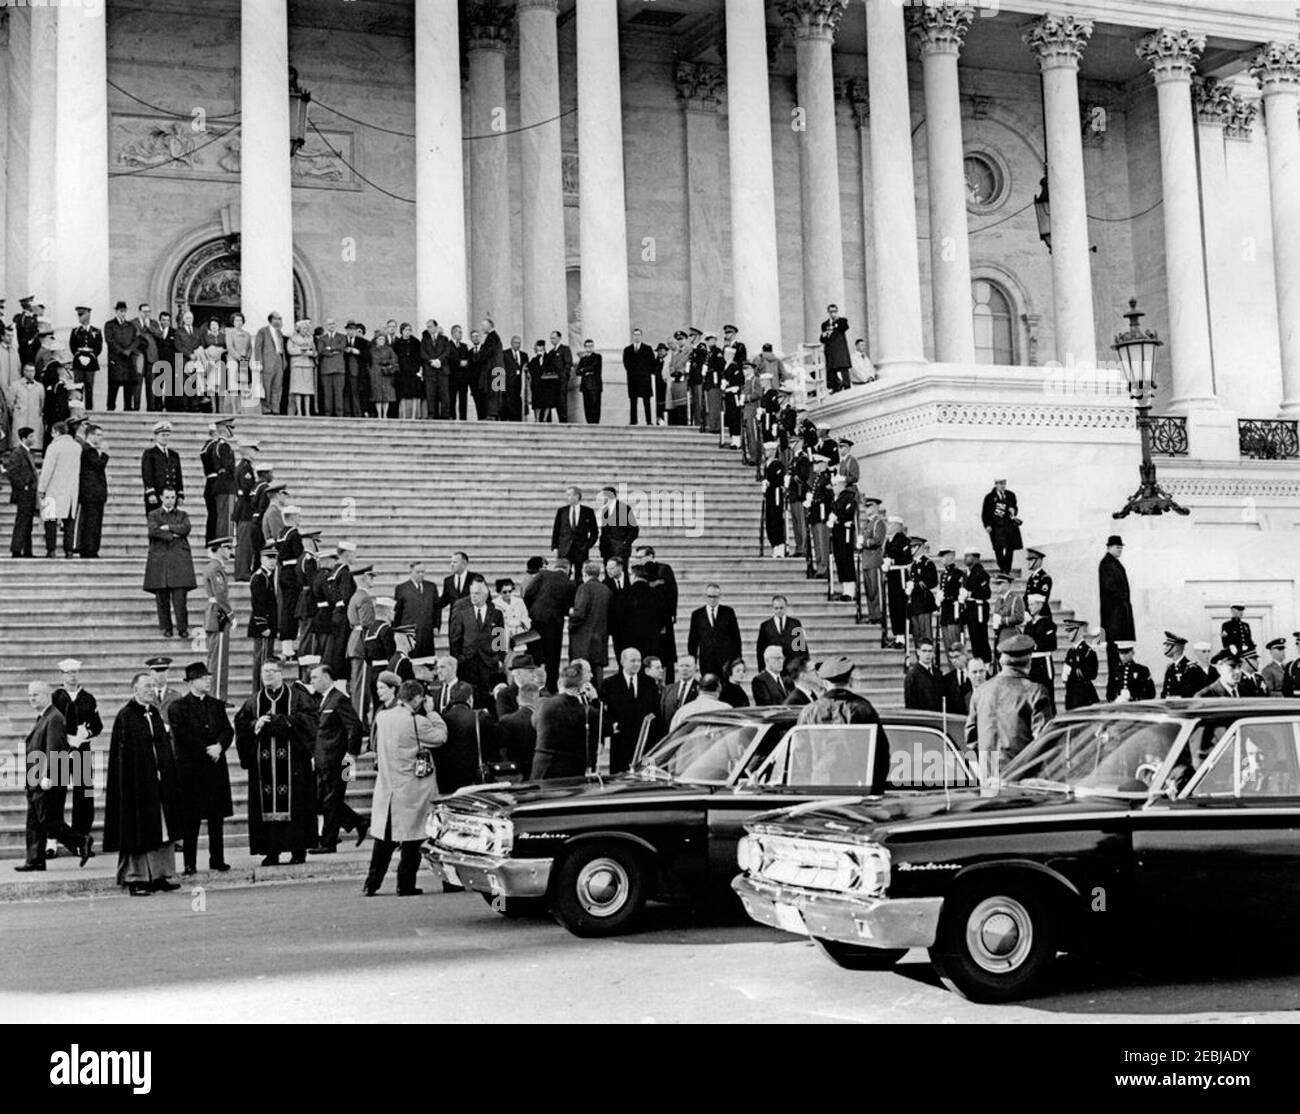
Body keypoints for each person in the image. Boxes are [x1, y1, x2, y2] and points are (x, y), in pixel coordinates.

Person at [365, 680, 447, 896]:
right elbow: (440, 737)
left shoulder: (382, 717)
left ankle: (371, 883)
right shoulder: (418, 721)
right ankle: (405, 884)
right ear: (418, 698)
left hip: (388, 785)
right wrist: (433, 714)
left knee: (384, 838)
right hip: (412, 789)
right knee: (413, 838)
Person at [102, 673, 181, 894]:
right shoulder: (125, 716)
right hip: (136, 786)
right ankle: (136, 878)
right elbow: (122, 758)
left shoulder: (154, 713)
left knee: (163, 829)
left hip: (159, 783)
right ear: (134, 689)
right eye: (146, 686)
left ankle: (160, 875)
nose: (151, 689)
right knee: (137, 830)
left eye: (153, 686)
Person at [234, 660, 318, 866]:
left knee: (296, 804)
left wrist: (284, 721)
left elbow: (311, 721)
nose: (268, 675)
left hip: (293, 765)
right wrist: (256, 724)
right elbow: (241, 724)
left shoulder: (297, 697)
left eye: (272, 671)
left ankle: (298, 850)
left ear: (282, 673)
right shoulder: (254, 701)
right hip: (264, 768)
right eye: (265, 671)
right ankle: (271, 851)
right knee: (266, 807)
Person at [16, 681, 93, 873]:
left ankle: (81, 841)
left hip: (47, 780)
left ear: (46, 695)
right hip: (36, 778)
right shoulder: (44, 717)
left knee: (49, 820)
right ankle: (35, 860)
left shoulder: (54, 718)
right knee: (34, 821)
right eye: (29, 695)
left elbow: (55, 749)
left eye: (35, 695)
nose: (31, 698)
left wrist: (47, 776)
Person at [167, 662, 234, 875]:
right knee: (191, 819)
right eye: (203, 678)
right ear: (192, 681)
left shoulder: (216, 705)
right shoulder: (178, 707)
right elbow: (183, 736)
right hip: (192, 769)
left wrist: (220, 746)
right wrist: (207, 750)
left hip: (215, 768)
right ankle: (190, 862)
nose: (208, 680)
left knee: (216, 818)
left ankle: (218, 858)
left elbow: (227, 729)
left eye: (208, 677)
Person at [797, 657, 891, 790]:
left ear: (824, 682)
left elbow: (801, 754)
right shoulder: (863, 709)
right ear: (850, 680)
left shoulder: (809, 711)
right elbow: (880, 754)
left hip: (818, 788)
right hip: (856, 787)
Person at [964, 634, 1052, 774]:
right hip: (1021, 779)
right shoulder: (1034, 692)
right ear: (1028, 661)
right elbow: (1043, 742)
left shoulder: (980, 692)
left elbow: (971, 738)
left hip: (989, 777)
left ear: (1002, 661)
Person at [305, 663, 368, 853]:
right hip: (324, 760)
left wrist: (351, 753)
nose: (312, 681)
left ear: (326, 678)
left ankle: (328, 842)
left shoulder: (339, 699)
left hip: (339, 761)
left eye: (315, 677)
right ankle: (358, 821)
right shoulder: (324, 699)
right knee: (321, 800)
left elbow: (355, 726)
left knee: (331, 801)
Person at [50, 659, 102, 839]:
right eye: (68, 673)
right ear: (62, 675)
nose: (72, 676)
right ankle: (53, 839)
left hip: (82, 752)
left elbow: (97, 725)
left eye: (75, 672)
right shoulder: (55, 698)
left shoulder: (88, 698)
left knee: (85, 794)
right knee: (56, 794)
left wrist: (86, 733)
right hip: (61, 752)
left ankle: (81, 836)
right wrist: (64, 737)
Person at [144, 488, 196, 638]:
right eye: (167, 497)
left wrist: (168, 527)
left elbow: (186, 528)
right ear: (161, 497)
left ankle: (182, 627)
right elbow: (153, 531)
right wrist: (173, 535)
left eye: (173, 497)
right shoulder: (153, 514)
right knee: (162, 598)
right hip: (160, 560)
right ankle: (166, 627)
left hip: (179, 560)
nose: (170, 500)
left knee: (180, 598)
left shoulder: (182, 514)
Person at [600, 648, 661, 774]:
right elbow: (603, 710)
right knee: (620, 781)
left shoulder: (649, 683)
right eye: (633, 660)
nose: (637, 664)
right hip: (621, 741)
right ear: (622, 661)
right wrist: (612, 724)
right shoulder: (609, 684)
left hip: (646, 742)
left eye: (639, 660)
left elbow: (656, 710)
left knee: (648, 781)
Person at [449, 580, 505, 708]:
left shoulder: (496, 614)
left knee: (488, 696)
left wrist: (500, 658)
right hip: (468, 662)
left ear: (485, 595)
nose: (473, 596)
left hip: (489, 661)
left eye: (477, 594)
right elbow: (455, 638)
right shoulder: (463, 614)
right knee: (471, 694)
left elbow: (500, 638)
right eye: (472, 593)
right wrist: (459, 657)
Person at [531, 664, 591, 780]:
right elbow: (607, 726)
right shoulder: (586, 711)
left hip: (544, 767)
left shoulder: (543, 704)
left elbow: (534, 723)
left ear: (560, 683)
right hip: (573, 771)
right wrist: (594, 699)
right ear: (581, 687)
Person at [37, 420, 80, 559]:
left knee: (50, 521)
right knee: (69, 521)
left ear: (55, 432)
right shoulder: (76, 447)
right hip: (71, 489)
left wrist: (41, 488)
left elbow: (47, 469)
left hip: (53, 488)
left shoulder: (53, 447)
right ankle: (68, 550)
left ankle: (51, 549)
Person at [1098, 534, 1134, 682]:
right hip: (1114, 620)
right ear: (1109, 548)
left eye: (1121, 547)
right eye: (1117, 547)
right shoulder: (1107, 564)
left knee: (1122, 654)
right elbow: (1112, 590)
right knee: (1115, 655)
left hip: (1120, 618)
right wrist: (1123, 602)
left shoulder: (1115, 564)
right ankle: (1114, 690)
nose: (1120, 550)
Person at [687, 583, 742, 678]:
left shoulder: (728, 612)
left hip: (725, 661)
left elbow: (736, 638)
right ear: (705, 597)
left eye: (715, 596)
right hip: (706, 660)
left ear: (719, 596)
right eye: (710, 596)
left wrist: (737, 661)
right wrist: (693, 662)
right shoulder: (697, 615)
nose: (712, 599)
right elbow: (693, 641)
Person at [199, 417, 237, 544]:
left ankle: (219, 542)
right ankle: (224, 543)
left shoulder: (216, 445)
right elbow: (228, 468)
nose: (232, 431)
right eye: (230, 428)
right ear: (224, 429)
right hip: (225, 485)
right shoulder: (223, 446)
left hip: (217, 484)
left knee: (218, 517)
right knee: (225, 517)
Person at [569, 560, 612, 673]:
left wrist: (571, 622)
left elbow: (579, 612)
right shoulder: (606, 589)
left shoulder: (584, 588)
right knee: (598, 667)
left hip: (583, 635)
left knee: (581, 668)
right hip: (600, 634)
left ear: (585, 573)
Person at [393, 561, 441, 660]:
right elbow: (397, 612)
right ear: (411, 571)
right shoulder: (402, 588)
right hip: (409, 632)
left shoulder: (431, 587)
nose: (421, 575)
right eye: (418, 572)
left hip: (426, 631)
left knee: (428, 660)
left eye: (423, 572)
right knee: (411, 660)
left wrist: (436, 626)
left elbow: (436, 608)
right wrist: (396, 630)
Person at [75, 423, 109, 558]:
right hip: (90, 493)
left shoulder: (90, 450)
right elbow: (98, 465)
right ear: (91, 435)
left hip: (95, 493)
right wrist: (105, 454)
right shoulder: (87, 449)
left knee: (94, 522)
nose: (101, 438)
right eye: (98, 435)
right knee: (91, 522)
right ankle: (89, 548)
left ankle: (92, 547)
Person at [5, 426, 38, 557]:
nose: (33, 439)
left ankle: (27, 550)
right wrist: (23, 485)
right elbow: (12, 472)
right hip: (24, 492)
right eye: (31, 437)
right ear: (24, 438)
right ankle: (17, 549)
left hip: (29, 491)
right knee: (22, 521)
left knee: (27, 522)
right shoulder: (18, 452)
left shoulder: (28, 452)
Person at [551, 485, 599, 575]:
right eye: (567, 495)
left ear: (577, 496)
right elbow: (556, 530)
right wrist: (555, 547)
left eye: (570, 495)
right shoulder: (562, 511)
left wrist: (587, 545)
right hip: (564, 549)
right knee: (563, 574)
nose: (567, 497)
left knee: (580, 574)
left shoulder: (588, 512)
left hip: (581, 549)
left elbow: (594, 532)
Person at [141, 419, 183, 517]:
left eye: (167, 435)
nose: (165, 438)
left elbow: (178, 475)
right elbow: (147, 474)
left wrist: (180, 494)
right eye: (163, 435)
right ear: (156, 436)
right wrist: (150, 493)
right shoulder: (150, 453)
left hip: (171, 497)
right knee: (156, 525)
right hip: (156, 495)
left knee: (171, 525)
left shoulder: (174, 455)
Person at [1023, 594, 1057, 714]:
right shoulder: (1028, 625)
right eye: (1029, 605)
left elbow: (1052, 644)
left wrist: (1035, 645)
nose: (1029, 607)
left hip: (1043, 662)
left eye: (1032, 604)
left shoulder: (1047, 623)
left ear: (1039, 605)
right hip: (1031, 663)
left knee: (1046, 693)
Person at [981, 478, 1022, 575]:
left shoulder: (1010, 495)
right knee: (998, 549)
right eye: (1000, 484)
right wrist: (987, 525)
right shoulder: (989, 497)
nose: (1003, 486)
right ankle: (1003, 568)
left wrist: (1013, 510)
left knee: (1010, 549)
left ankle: (1006, 571)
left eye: (1004, 483)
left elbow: (1015, 507)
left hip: (1009, 527)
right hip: (996, 528)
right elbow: (985, 513)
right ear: (996, 484)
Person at [104, 301, 140, 411]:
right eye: (120, 311)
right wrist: (121, 351)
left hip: (128, 360)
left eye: (124, 311)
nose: (123, 314)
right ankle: (110, 409)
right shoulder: (110, 325)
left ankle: (128, 409)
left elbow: (136, 339)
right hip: (116, 360)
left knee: (128, 387)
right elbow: (110, 340)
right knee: (113, 387)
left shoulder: (131, 326)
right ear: (116, 311)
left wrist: (129, 350)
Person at [882, 516, 911, 647]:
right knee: (893, 606)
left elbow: (906, 558)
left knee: (900, 605)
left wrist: (893, 561)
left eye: (891, 524)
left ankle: (902, 636)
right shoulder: (889, 541)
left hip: (901, 576)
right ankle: (897, 635)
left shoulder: (903, 540)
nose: (889, 526)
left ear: (897, 526)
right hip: (892, 575)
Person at [756, 595, 806, 669]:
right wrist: (762, 670)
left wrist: (804, 667)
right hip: (774, 668)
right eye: (776, 608)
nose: (779, 610)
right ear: (772, 608)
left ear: (786, 607)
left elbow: (802, 648)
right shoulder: (765, 626)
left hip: (792, 668)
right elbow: (760, 650)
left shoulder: (795, 624)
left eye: (781, 608)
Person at [961, 547, 992, 665]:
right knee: (974, 639)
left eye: (968, 556)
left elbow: (986, 593)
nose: (965, 559)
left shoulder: (980, 573)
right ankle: (979, 662)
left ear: (975, 558)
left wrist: (970, 594)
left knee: (981, 638)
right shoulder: (967, 573)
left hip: (978, 609)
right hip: (970, 610)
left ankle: (986, 663)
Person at [253, 312, 287, 415]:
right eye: (276, 318)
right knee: (266, 385)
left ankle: (275, 408)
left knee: (277, 386)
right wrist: (259, 362)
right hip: (267, 361)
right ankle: (266, 408)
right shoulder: (263, 331)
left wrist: (284, 362)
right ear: (271, 320)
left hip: (278, 360)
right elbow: (258, 347)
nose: (278, 321)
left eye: (280, 319)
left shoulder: (279, 333)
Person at [1062, 623, 1102, 709]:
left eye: (1071, 631)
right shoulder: (1071, 651)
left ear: (1079, 631)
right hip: (1071, 693)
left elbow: (1091, 674)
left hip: (1083, 694)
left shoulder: (1088, 651)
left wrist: (1070, 672)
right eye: (1067, 631)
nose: (1068, 634)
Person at [597, 485, 639, 565]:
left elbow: (634, 529)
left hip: (620, 549)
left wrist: (625, 543)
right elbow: (604, 530)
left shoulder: (624, 508)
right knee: (608, 573)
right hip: (607, 549)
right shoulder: (605, 510)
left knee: (622, 572)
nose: (602, 499)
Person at [286, 320, 317, 416]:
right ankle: (299, 411)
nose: (305, 330)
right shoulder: (293, 338)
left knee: (307, 390)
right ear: (299, 329)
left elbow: (314, 352)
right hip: (297, 365)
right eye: (304, 328)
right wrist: (301, 350)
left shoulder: (310, 339)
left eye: (307, 328)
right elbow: (290, 350)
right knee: (297, 390)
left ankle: (307, 411)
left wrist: (311, 353)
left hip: (308, 365)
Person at [904, 639, 944, 712]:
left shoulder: (938, 673)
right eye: (924, 651)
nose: (927, 654)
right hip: (923, 718)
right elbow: (910, 704)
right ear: (918, 652)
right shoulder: (912, 676)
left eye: (930, 651)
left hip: (938, 717)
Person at [819, 304, 852, 393]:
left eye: (834, 311)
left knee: (843, 366)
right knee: (831, 369)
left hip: (840, 348)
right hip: (830, 349)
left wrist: (836, 320)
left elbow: (845, 327)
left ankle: (847, 385)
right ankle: (836, 386)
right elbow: (822, 339)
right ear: (828, 312)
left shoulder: (842, 321)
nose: (833, 313)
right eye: (831, 312)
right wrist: (824, 335)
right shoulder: (825, 324)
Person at [577, 339, 603, 424]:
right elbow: (577, 371)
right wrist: (587, 371)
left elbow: (594, 368)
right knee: (587, 406)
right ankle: (589, 423)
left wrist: (584, 369)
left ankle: (595, 423)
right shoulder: (583, 359)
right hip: (585, 385)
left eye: (591, 346)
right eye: (587, 346)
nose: (589, 348)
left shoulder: (597, 357)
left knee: (595, 405)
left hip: (595, 385)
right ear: (585, 347)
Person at [941, 649, 973, 716]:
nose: (954, 661)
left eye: (956, 656)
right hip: (955, 719)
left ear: (965, 655)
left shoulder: (975, 674)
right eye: (951, 658)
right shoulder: (946, 679)